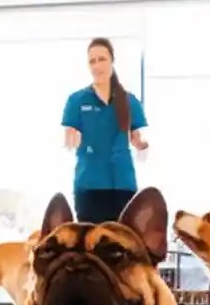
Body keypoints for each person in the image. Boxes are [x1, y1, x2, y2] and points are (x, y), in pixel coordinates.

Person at [61, 37, 149, 224]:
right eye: (92, 61)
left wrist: (142, 145)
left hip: (123, 185)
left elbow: (136, 137)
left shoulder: (129, 101)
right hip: (89, 185)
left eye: (102, 59)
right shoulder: (77, 100)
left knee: (120, 243)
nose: (97, 65)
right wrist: (71, 137)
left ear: (112, 61)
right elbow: (70, 133)